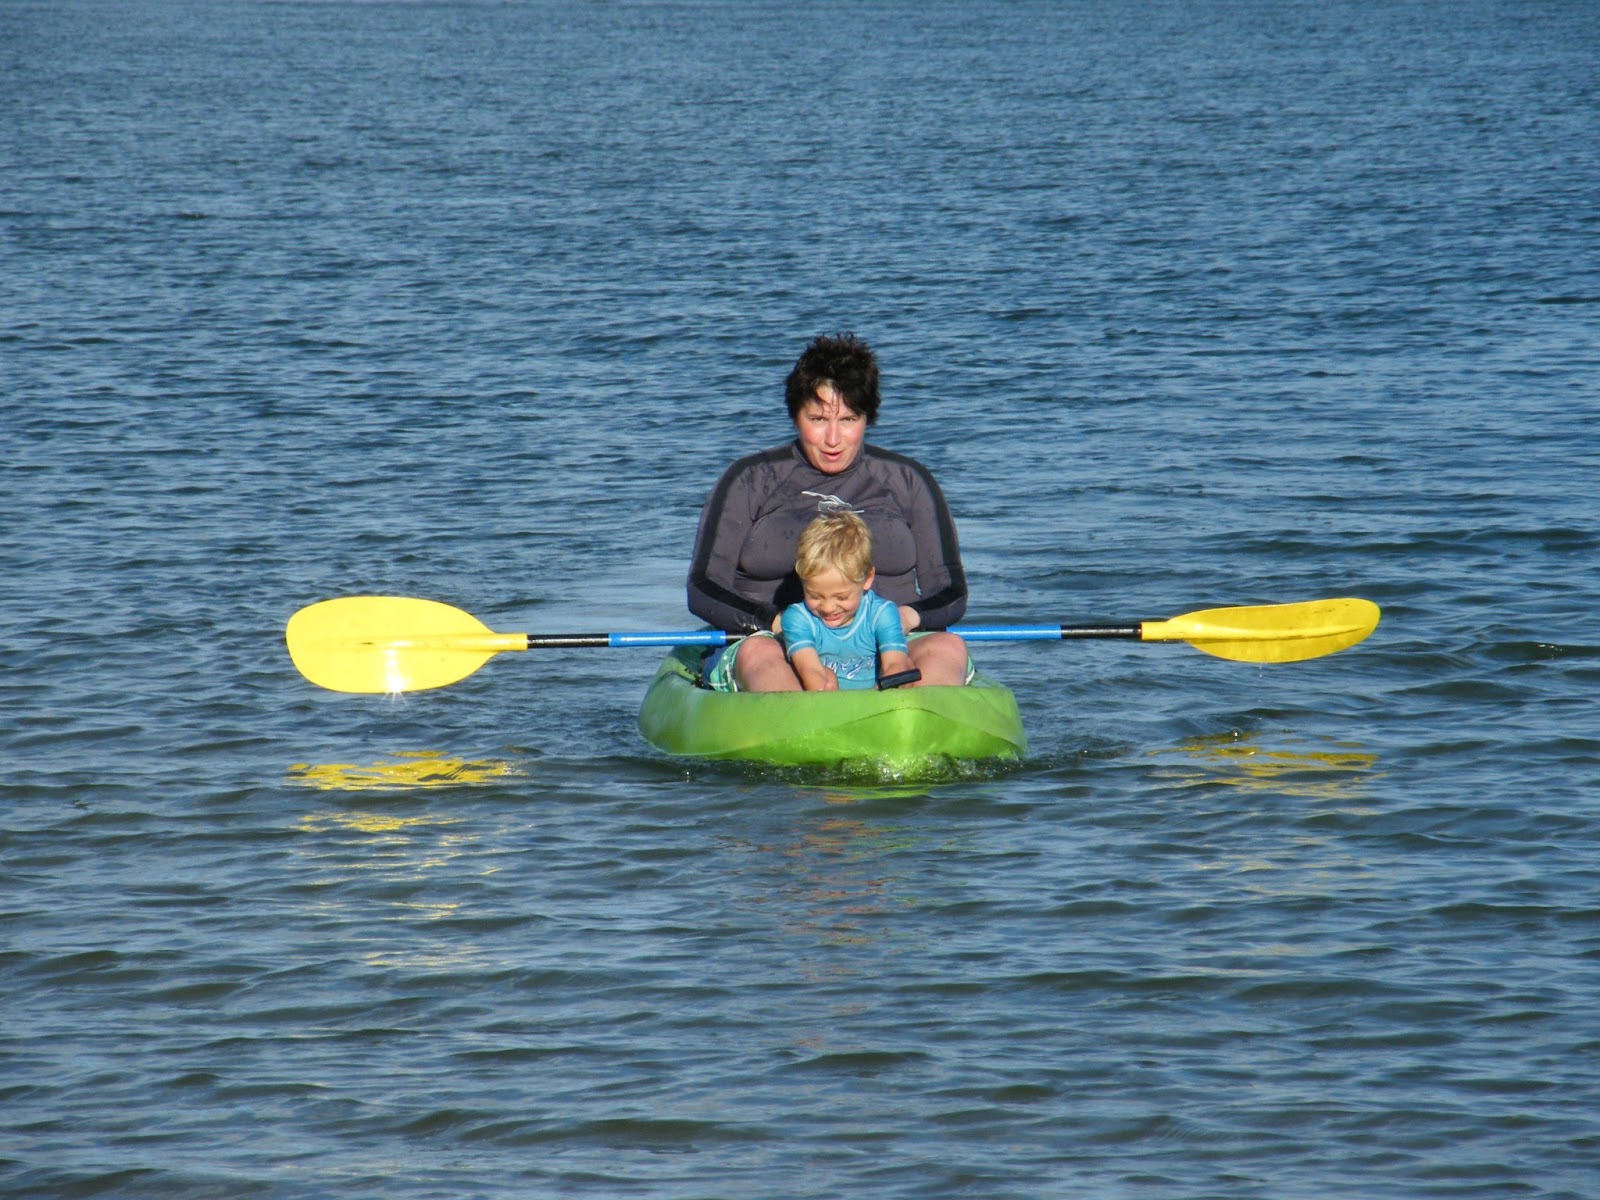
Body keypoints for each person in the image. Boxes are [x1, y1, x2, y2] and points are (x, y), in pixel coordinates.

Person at [688, 333, 971, 692]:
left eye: (849, 419)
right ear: (795, 416)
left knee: (949, 646)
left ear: (867, 418)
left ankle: (915, 730)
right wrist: (777, 624)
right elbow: (702, 588)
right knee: (757, 654)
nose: (833, 439)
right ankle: (799, 727)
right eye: (818, 419)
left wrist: (902, 619)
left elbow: (951, 590)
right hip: (771, 645)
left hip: (888, 647)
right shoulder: (750, 480)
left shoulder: (908, 481)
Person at [781, 512, 918, 691]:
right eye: (815, 595)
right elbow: (811, 672)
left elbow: (895, 664)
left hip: (876, 696)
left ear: (868, 578)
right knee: (826, 678)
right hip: (828, 700)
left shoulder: (882, 613)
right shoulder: (798, 619)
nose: (828, 608)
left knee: (906, 666)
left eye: (842, 597)